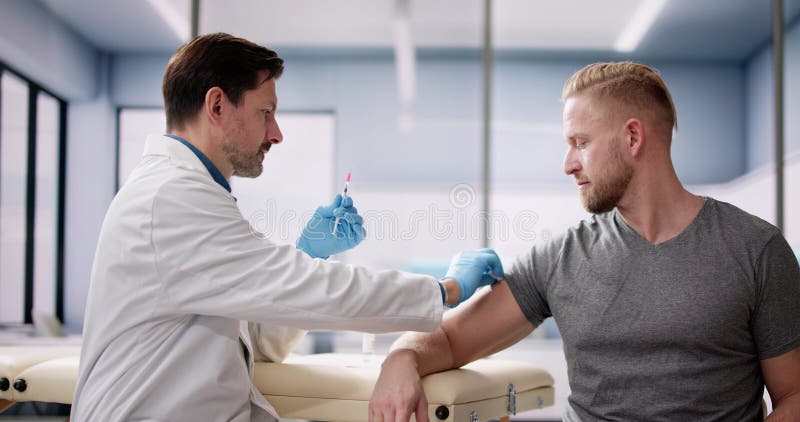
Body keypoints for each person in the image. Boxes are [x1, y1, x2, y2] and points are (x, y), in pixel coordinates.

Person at [71, 33, 502, 422]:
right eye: (266, 112)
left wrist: (310, 254)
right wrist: (447, 289)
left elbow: (251, 341)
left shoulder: (189, 195)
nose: (276, 134)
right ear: (217, 106)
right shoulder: (171, 199)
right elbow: (312, 292)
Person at [369, 62, 800, 421]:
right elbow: (449, 340)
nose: (567, 164)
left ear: (632, 138)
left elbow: (793, 396)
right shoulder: (559, 258)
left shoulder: (755, 249)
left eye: (581, 142)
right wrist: (401, 358)